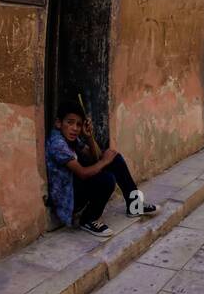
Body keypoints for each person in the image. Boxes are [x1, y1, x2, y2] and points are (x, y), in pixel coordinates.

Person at [45, 100, 157, 237]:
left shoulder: (72, 139)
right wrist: (104, 161)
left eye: (78, 125)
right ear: (58, 123)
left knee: (115, 158)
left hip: (75, 185)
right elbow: (83, 173)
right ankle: (88, 219)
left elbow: (96, 157)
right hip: (67, 198)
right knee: (107, 179)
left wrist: (89, 137)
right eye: (70, 122)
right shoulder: (58, 144)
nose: (74, 128)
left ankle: (134, 205)